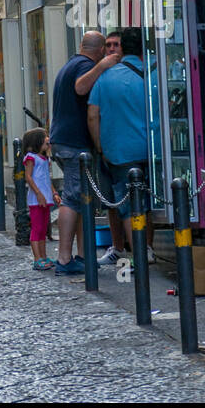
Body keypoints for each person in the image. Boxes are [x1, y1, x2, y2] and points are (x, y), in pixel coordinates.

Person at [50, 30, 117, 274]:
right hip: (73, 144)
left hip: (63, 141)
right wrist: (103, 66)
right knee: (72, 198)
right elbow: (81, 88)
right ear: (100, 51)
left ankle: (81, 255)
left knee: (80, 199)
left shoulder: (70, 64)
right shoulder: (84, 67)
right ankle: (65, 259)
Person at [87, 25, 154, 261]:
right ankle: (148, 248)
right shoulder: (157, 70)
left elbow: (93, 115)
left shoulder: (106, 77)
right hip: (154, 149)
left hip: (120, 151)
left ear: (122, 47)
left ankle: (139, 252)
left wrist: (99, 146)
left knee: (126, 204)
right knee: (149, 202)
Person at [91, 29, 127, 266]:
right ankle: (118, 247)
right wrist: (100, 147)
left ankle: (142, 249)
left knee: (133, 203)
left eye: (116, 45)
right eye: (108, 45)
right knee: (111, 203)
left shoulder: (134, 73)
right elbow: (93, 115)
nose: (112, 48)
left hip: (128, 147)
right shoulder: (101, 77)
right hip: (108, 148)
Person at [22, 127, 61, 270]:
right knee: (37, 228)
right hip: (36, 199)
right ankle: (37, 258)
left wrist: (54, 193)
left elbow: (47, 179)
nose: (47, 144)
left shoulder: (45, 159)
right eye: (45, 142)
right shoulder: (31, 158)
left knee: (43, 229)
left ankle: (44, 256)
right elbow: (28, 176)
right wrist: (38, 193)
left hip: (46, 197)